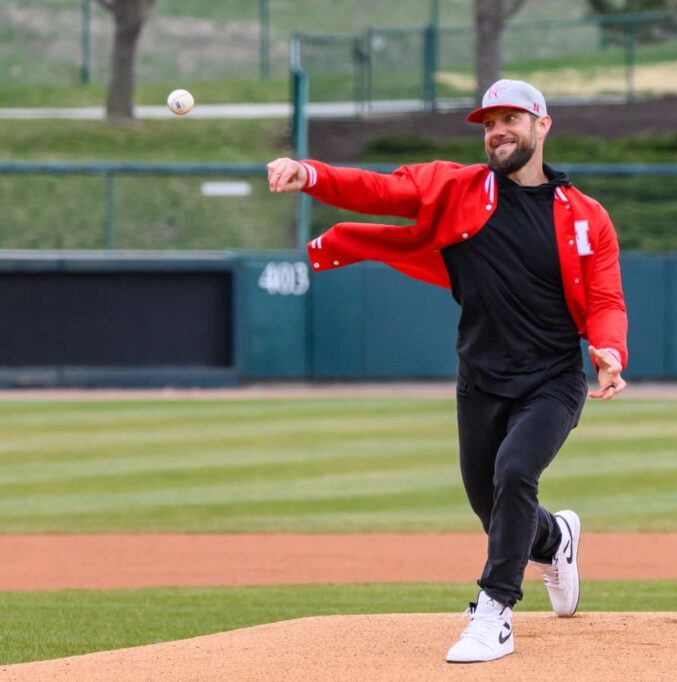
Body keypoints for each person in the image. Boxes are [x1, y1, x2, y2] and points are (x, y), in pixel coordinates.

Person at [266, 79, 629, 664]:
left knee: (515, 471)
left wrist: (609, 350)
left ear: (542, 126)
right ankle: (556, 539)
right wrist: (310, 174)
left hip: (552, 380)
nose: (497, 132)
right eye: (488, 123)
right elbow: (379, 190)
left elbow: (607, 299)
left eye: (510, 119)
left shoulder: (586, 216)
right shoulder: (456, 188)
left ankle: (494, 613)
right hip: (481, 377)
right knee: (489, 501)